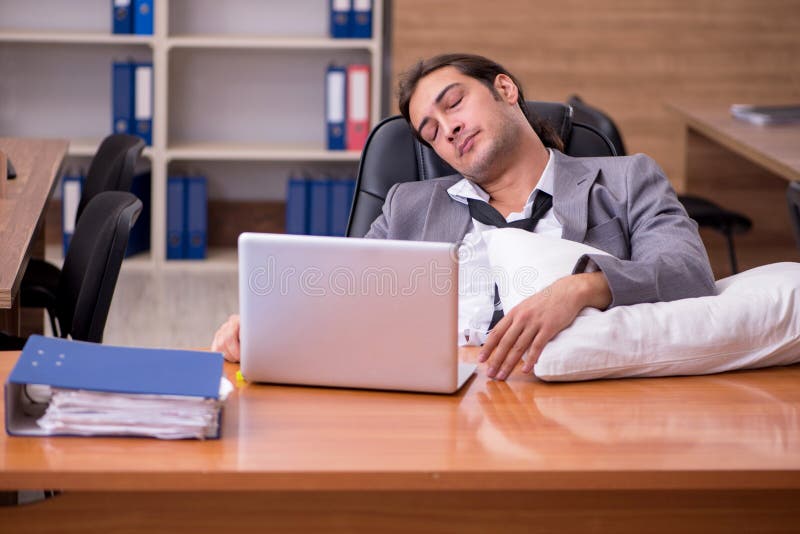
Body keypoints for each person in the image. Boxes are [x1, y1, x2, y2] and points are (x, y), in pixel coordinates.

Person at [212, 53, 715, 381]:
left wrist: (579, 288)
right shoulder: (407, 205)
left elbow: (688, 269)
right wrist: (267, 324)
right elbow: (345, 295)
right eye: (429, 131)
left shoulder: (626, 180)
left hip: (581, 402)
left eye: (453, 104)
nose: (446, 130)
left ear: (505, 89)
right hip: (437, 405)